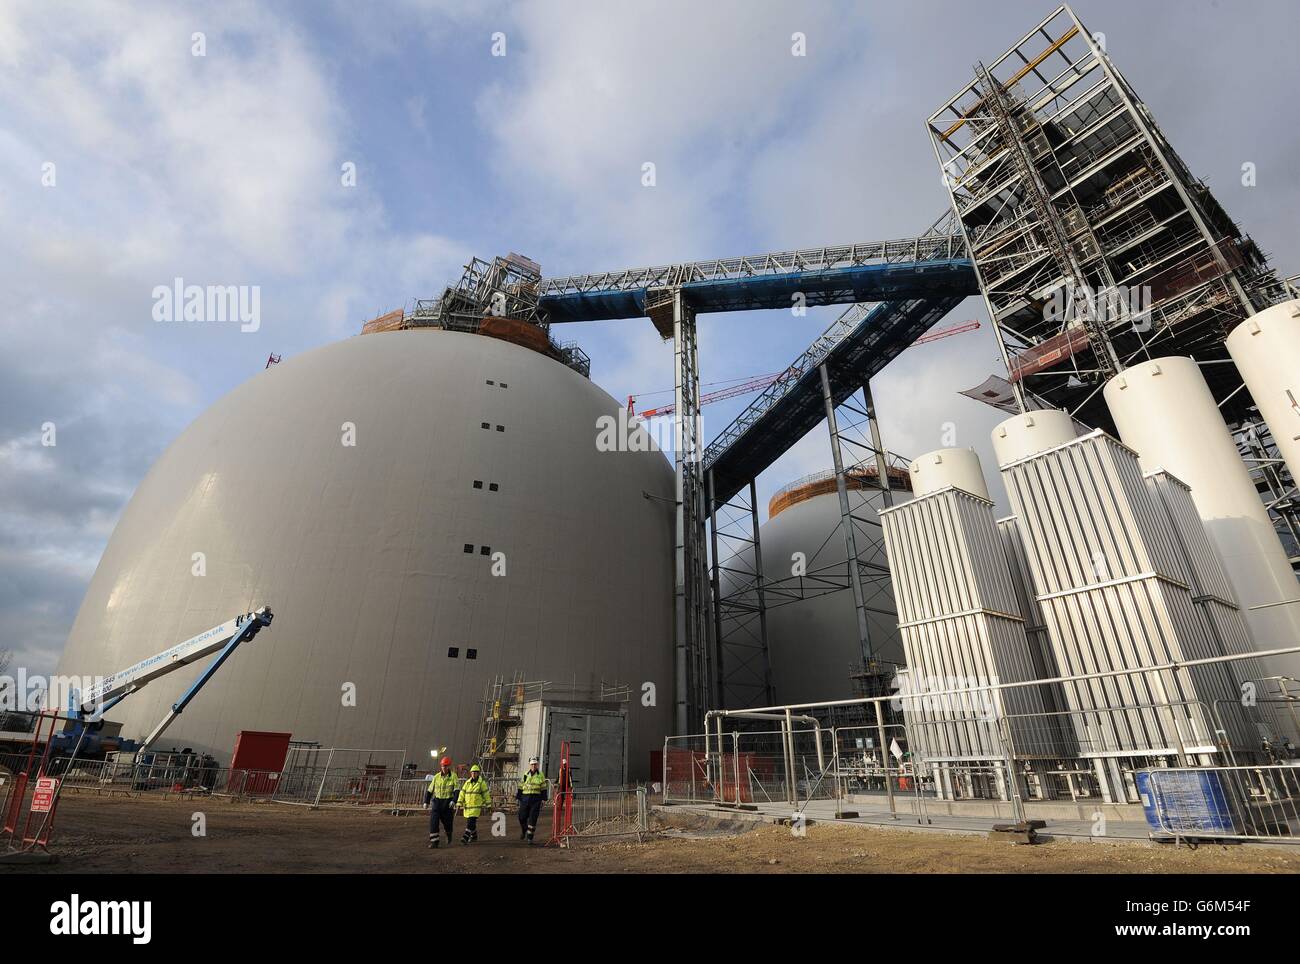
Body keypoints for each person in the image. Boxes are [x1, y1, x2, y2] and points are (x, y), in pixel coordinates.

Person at [424, 755, 460, 849]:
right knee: (433, 822)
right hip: (437, 803)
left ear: (449, 766)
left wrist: (454, 801)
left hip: (448, 804)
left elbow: (456, 790)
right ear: (441, 766)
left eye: (446, 766)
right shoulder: (436, 777)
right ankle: (434, 842)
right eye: (443, 766)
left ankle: (449, 834)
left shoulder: (454, 777)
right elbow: (429, 790)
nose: (444, 768)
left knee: (448, 823)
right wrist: (426, 801)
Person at [515, 756, 548, 844]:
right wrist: (518, 797)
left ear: (537, 765)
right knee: (521, 817)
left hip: (536, 799)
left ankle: (530, 838)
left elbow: (543, 788)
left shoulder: (540, 775)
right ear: (530, 765)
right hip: (525, 798)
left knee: (533, 819)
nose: (533, 766)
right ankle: (524, 829)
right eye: (532, 764)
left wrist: (544, 799)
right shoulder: (525, 774)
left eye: (535, 764)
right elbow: (521, 786)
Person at [458, 764, 492, 844]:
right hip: (467, 807)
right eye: (472, 772)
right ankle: (474, 836)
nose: (474, 774)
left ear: (478, 773)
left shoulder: (481, 783)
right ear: (470, 773)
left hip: (476, 808)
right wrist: (459, 803)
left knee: (470, 822)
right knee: (471, 823)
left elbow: (486, 794)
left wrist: (489, 805)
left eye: (475, 772)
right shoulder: (467, 783)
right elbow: (462, 793)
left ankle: (465, 837)